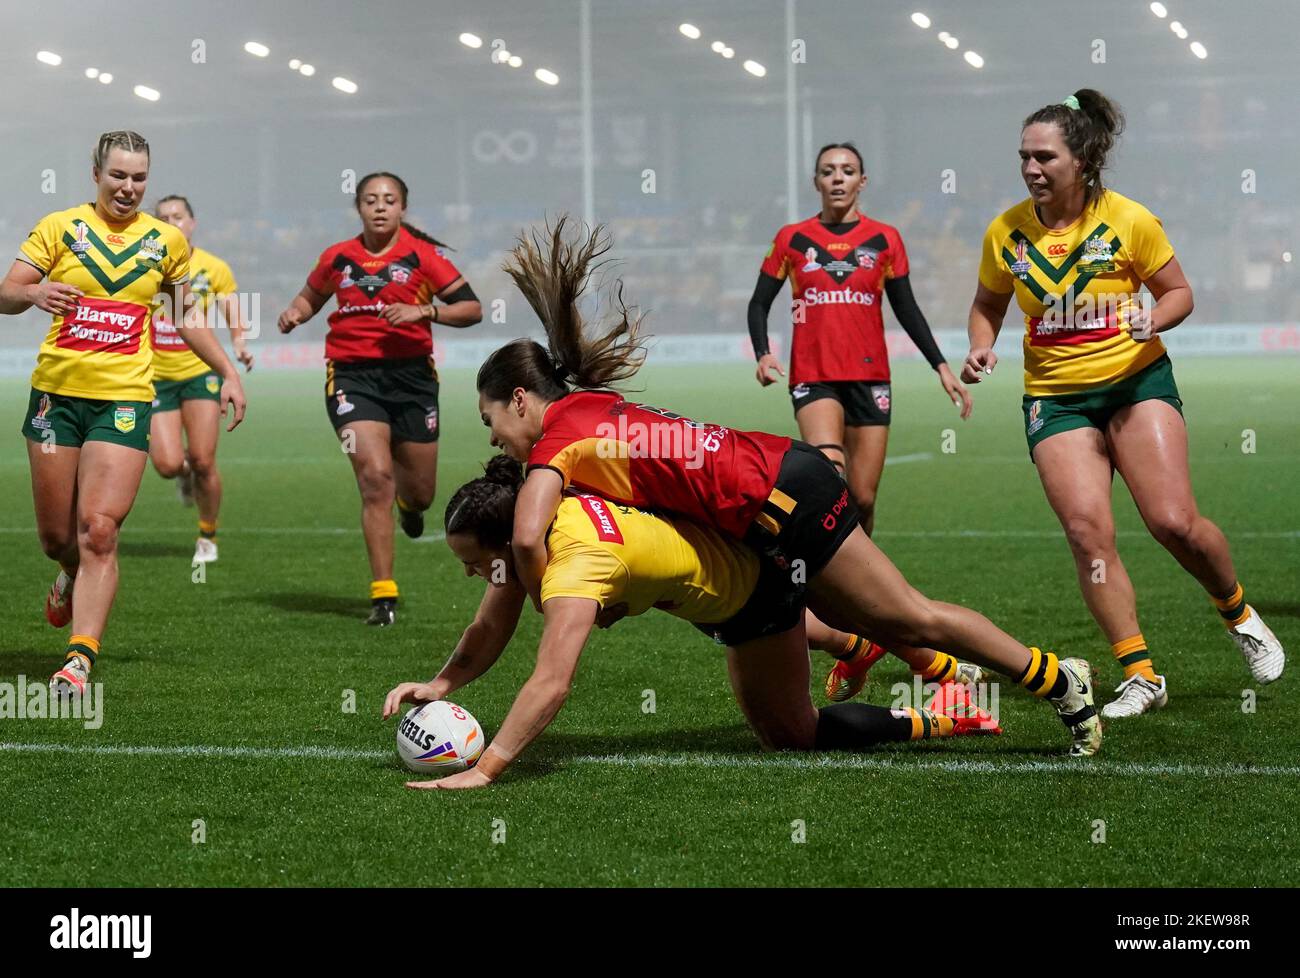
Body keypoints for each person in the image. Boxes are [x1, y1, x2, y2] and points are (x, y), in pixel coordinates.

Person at [474, 219, 1101, 756]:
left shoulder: (559, 437)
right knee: (840, 631)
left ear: (521, 399)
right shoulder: (587, 406)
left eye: (491, 421)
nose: (494, 439)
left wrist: (538, 595)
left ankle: (1056, 679)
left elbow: (528, 535)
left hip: (788, 495)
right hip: (775, 494)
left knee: (909, 614)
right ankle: (905, 669)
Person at [382, 457, 997, 790]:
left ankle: (950, 713)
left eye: (472, 563)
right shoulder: (544, 516)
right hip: (718, 580)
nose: (470, 575)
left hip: (754, 598)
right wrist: (439, 686)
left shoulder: (574, 567)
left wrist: (486, 770)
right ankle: (880, 654)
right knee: (812, 661)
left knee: (794, 736)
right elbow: (489, 627)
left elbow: (551, 682)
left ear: (505, 545)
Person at [961, 89, 1285, 718]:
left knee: (1172, 523)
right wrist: (980, 347)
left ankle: (1240, 614)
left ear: (1081, 160)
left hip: (1136, 383)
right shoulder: (1007, 231)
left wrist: (1153, 315)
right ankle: (1140, 674)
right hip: (1055, 398)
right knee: (1088, 535)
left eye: (1044, 157)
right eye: (1024, 157)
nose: (1031, 169)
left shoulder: (1130, 219)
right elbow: (987, 305)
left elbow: (1180, 292)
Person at [0, 130, 247, 693]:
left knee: (100, 530)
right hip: (55, 400)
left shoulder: (166, 243)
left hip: (125, 399)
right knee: (57, 540)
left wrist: (227, 372)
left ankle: (79, 658)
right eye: (118, 175)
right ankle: (67, 572)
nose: (128, 187)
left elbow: (186, 318)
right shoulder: (58, 227)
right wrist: (35, 294)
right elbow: (6, 293)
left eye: (138, 178)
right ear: (96, 175)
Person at [749, 141, 974, 699]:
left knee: (864, 500)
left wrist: (941, 367)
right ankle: (839, 597)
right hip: (815, 377)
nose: (838, 179)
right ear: (816, 181)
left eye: (847, 171)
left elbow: (907, 308)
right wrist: (763, 351)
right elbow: (759, 303)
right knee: (829, 477)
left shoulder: (885, 240)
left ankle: (856, 601)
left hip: (871, 379)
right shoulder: (792, 240)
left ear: (862, 181)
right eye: (828, 171)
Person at [277, 172, 482, 626]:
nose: (381, 207)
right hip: (352, 378)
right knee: (375, 478)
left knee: (421, 493)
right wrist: (295, 313)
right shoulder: (337, 257)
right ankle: (383, 596)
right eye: (371, 200)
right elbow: (309, 297)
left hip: (412, 381)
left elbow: (472, 309)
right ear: (359, 208)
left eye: (390, 200)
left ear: (403, 208)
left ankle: (411, 509)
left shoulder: (424, 257)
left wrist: (425, 310)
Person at [150, 194, 254, 564]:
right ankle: (182, 476)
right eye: (163, 218)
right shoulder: (144, 264)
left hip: (199, 374)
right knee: (166, 464)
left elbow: (232, 309)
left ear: (192, 223)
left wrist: (239, 343)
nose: (171, 223)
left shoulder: (213, 267)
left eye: (178, 216)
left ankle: (207, 534)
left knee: (204, 460)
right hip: (154, 375)